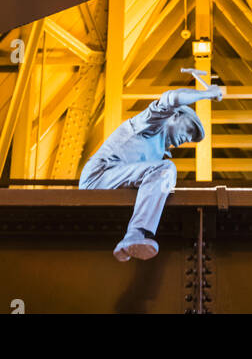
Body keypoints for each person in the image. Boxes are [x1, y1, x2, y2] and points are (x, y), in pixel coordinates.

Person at [80, 83, 224, 261]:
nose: (188, 138)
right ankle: (135, 234)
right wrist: (206, 94)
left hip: (113, 184)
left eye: (191, 138)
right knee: (165, 169)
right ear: (175, 115)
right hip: (99, 177)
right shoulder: (150, 125)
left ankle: (131, 238)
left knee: (162, 171)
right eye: (188, 129)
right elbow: (171, 98)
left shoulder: (157, 155)